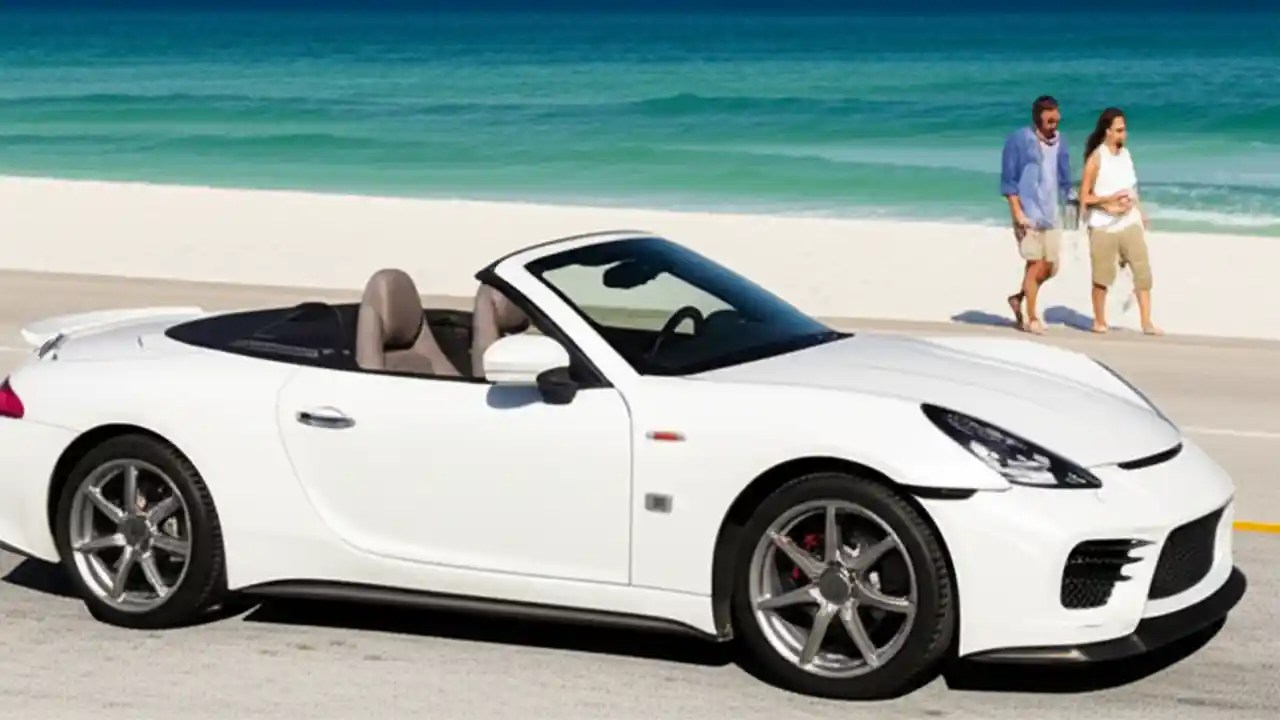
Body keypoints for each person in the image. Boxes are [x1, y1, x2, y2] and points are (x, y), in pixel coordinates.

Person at [1079, 107, 1161, 335]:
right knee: (1102, 277)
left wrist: (1140, 212)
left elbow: (1132, 189)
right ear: (1107, 132)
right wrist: (1108, 201)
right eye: (1119, 130)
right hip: (1103, 225)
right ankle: (1099, 320)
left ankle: (1147, 322)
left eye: (1124, 130)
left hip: (1129, 221)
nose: (1123, 135)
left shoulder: (1126, 155)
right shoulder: (1096, 158)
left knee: (1142, 271)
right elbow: (1084, 197)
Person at [1000, 95, 1072, 335]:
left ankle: (1019, 298)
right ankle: (1031, 317)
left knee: (1050, 267)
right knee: (1035, 263)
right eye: (1049, 113)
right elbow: (1009, 181)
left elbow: (1064, 178)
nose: (1055, 118)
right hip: (1028, 213)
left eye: (1056, 112)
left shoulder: (1061, 142)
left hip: (1051, 212)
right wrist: (1018, 213)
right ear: (1038, 116)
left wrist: (1074, 201)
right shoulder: (1019, 140)